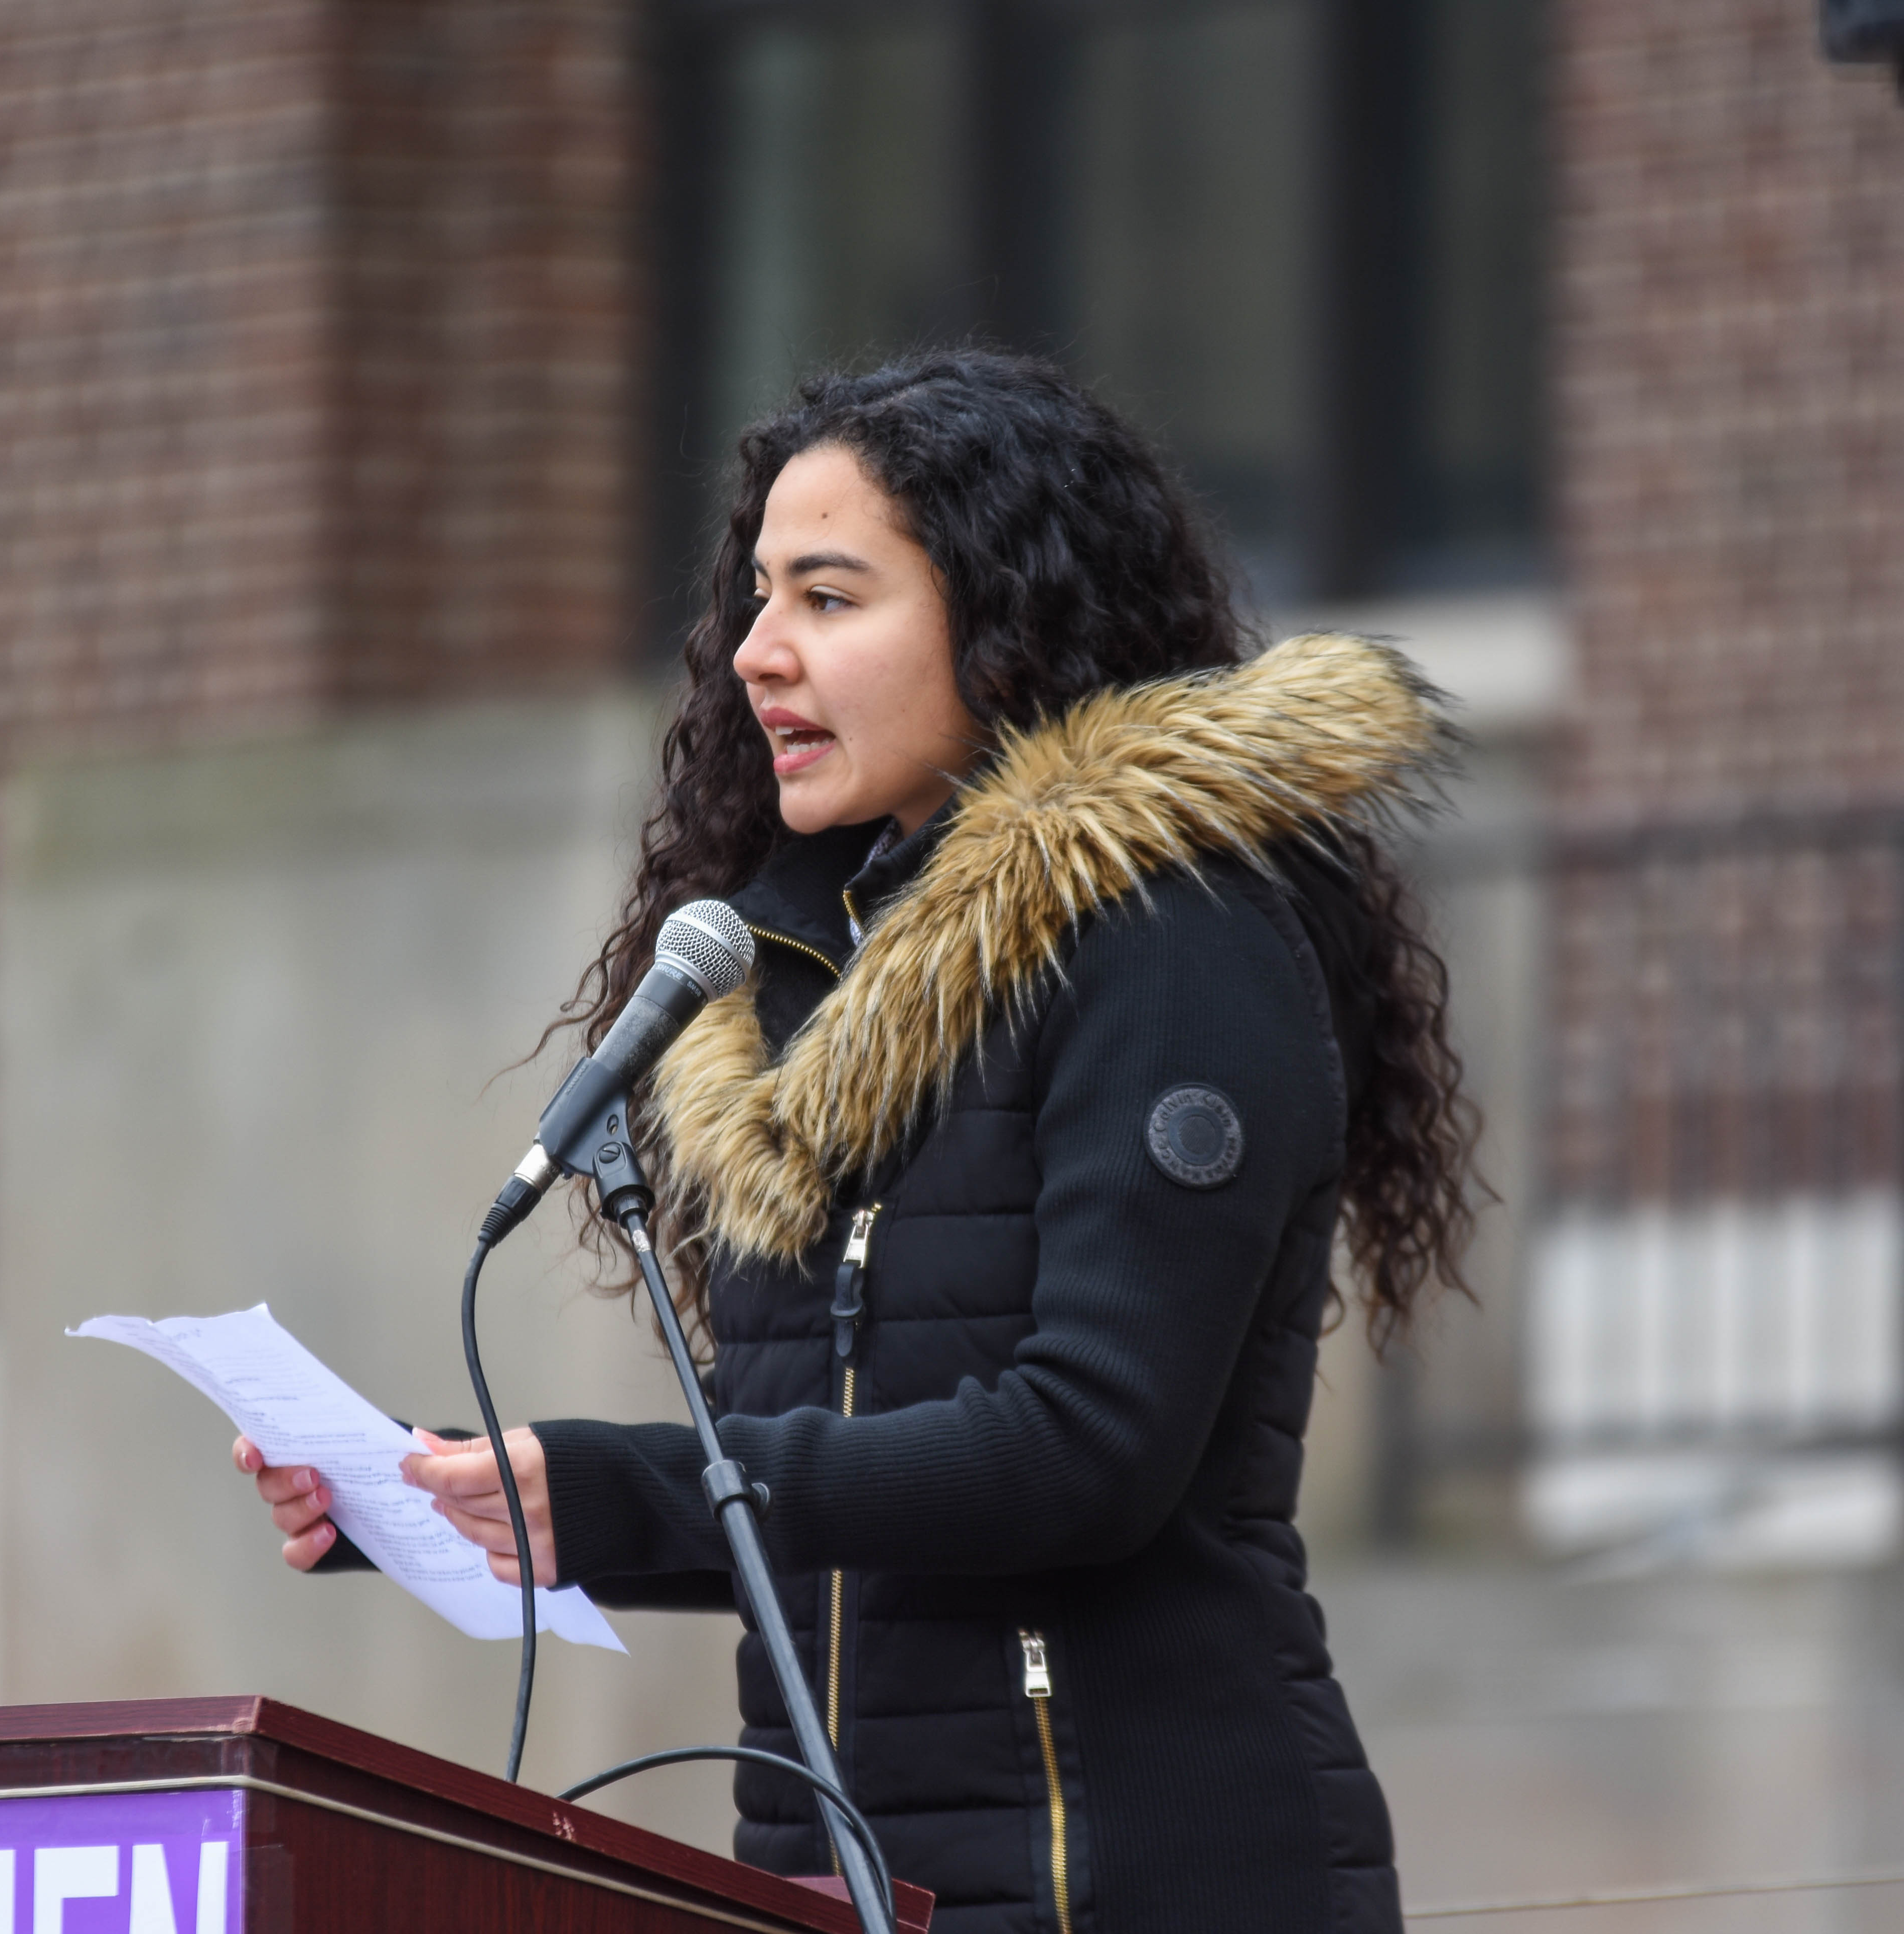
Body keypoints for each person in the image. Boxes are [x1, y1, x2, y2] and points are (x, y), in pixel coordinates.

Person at [235, 350, 1478, 1933]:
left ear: (1010, 612)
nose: (757, 653)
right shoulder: (790, 993)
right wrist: (445, 1497)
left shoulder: (1171, 937)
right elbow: (830, 1497)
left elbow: (1083, 1452)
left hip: (1129, 1873)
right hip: (850, 1877)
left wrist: (625, 1482)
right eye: (756, 598)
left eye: (829, 597)